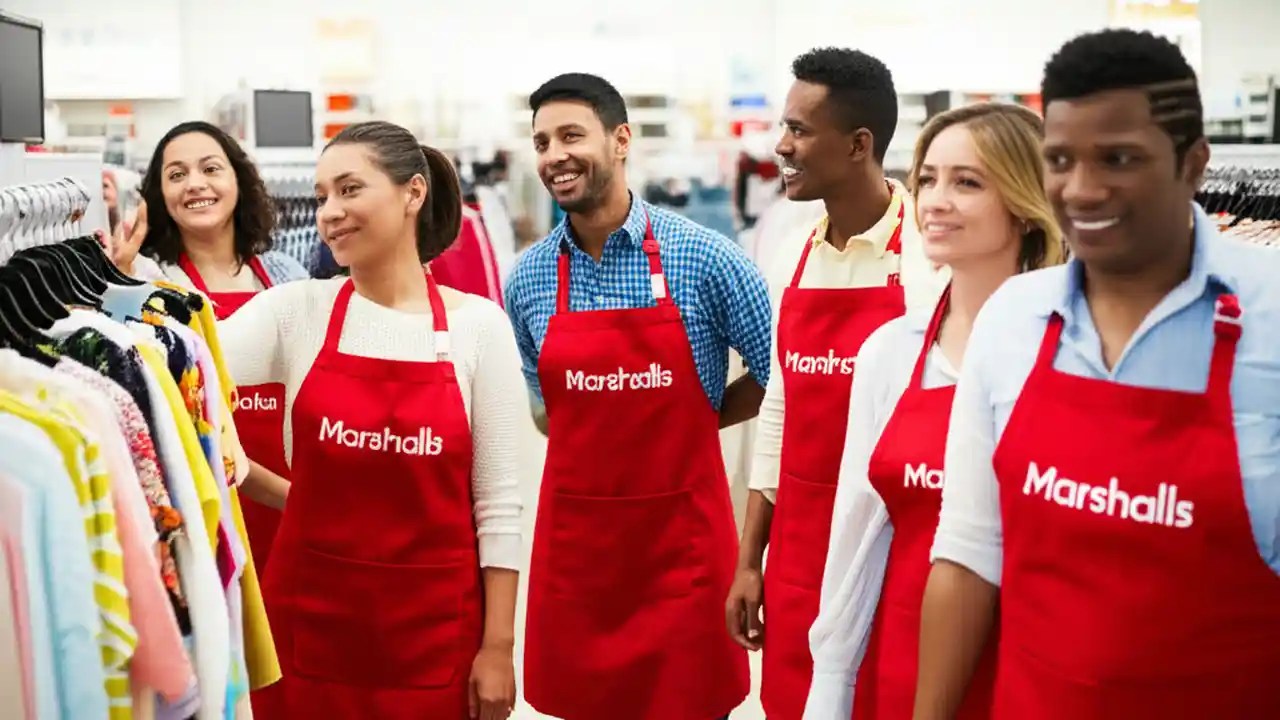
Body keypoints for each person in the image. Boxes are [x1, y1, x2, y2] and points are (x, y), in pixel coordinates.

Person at [915, 29, 1280, 720]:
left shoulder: (1271, 315)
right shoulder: (1013, 319)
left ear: (1194, 163)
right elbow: (967, 552)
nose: (1081, 190)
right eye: (1059, 159)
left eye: (1119, 159)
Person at [113, 120, 524, 719]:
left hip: (433, 638)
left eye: (350, 189)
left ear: (413, 193)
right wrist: (114, 289)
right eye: (322, 194)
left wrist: (498, 646)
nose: (330, 212)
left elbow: (500, 504)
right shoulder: (296, 311)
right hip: (311, 631)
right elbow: (175, 372)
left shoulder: (478, 328)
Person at [506, 72, 770, 720]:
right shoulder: (528, 279)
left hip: (682, 553)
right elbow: (547, 407)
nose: (553, 156)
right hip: (579, 561)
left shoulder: (709, 259)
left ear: (621, 140)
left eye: (571, 135)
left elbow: (776, 375)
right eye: (541, 142)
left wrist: (702, 415)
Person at [802, 103, 1064, 720]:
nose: (935, 200)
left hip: (1034, 666)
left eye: (967, 182)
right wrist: (830, 689)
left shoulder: (1072, 359)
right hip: (903, 658)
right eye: (927, 179)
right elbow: (856, 541)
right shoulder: (890, 352)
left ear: (1025, 203)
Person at [724, 47, 943, 720]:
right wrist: (751, 557)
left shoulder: (930, 267)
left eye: (797, 130)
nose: (780, 146)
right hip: (799, 552)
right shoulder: (794, 254)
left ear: (858, 145)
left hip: (891, 551)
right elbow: (780, 418)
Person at [128, 120, 310, 578]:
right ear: (159, 195)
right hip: (217, 505)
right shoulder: (150, 285)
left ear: (237, 181)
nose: (195, 184)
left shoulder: (286, 273)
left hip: (297, 505)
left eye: (211, 168)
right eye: (176, 174)